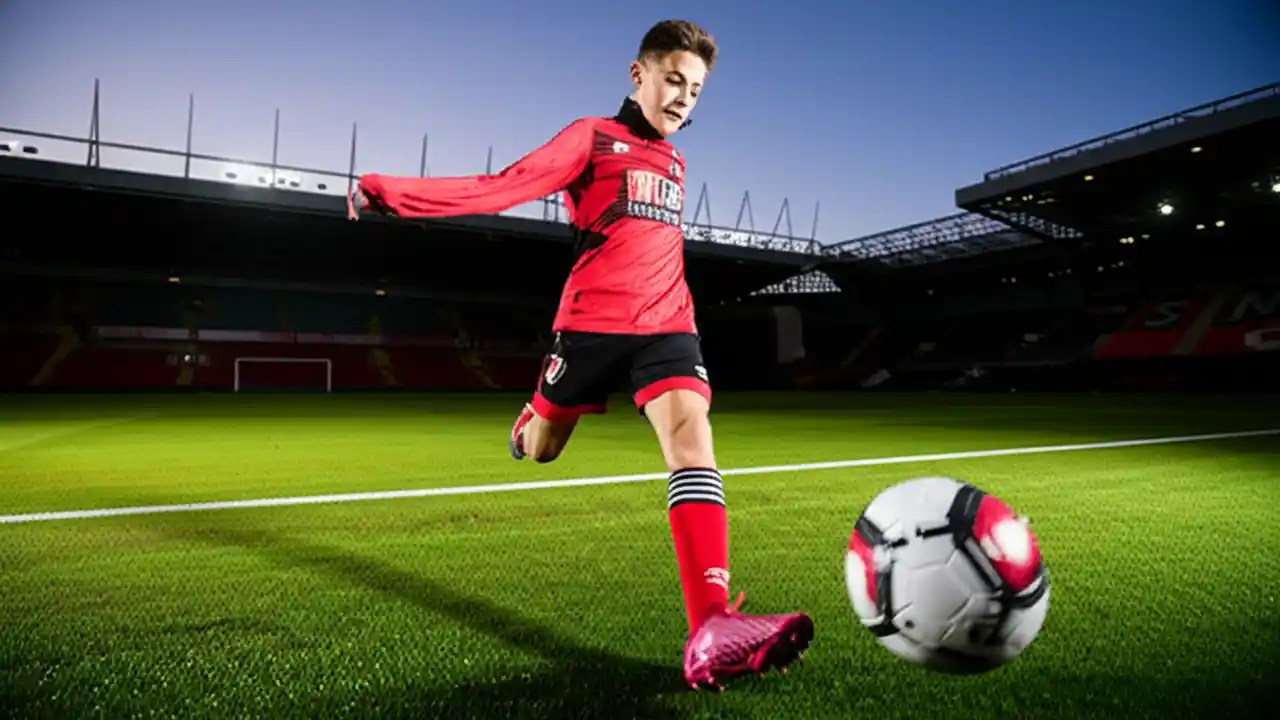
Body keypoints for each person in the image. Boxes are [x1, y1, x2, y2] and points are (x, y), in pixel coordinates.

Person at [348, 18, 812, 690]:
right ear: (638, 74)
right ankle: (530, 417)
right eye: (674, 81)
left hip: (667, 324)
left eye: (697, 90)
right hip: (591, 325)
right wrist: (393, 192)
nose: (684, 98)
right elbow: (503, 185)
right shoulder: (591, 136)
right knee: (543, 449)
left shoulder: (677, 160)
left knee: (693, 439)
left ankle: (710, 627)